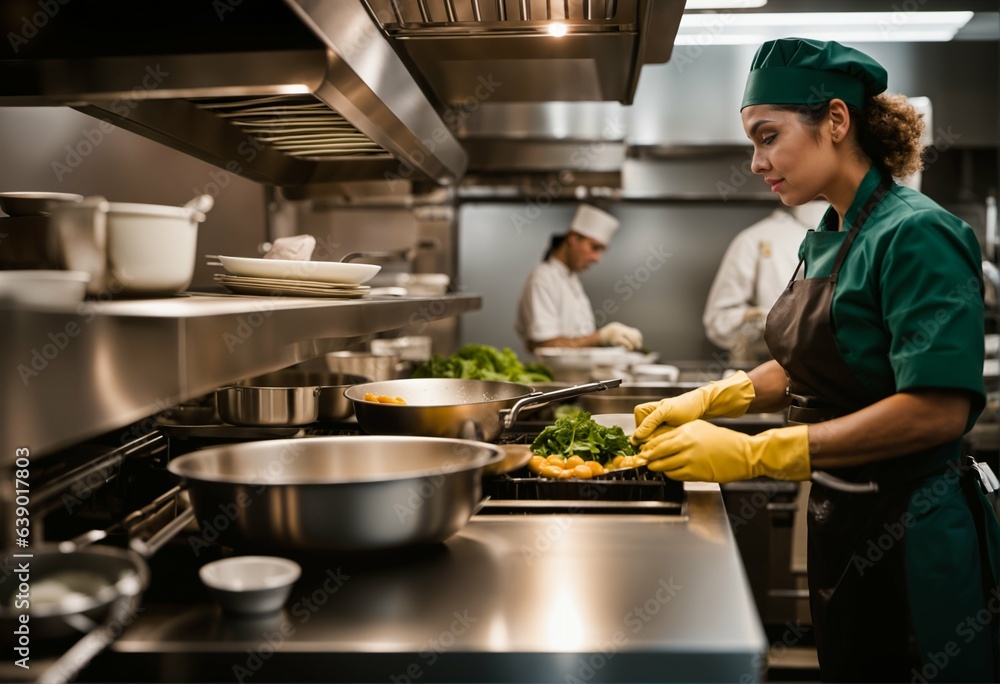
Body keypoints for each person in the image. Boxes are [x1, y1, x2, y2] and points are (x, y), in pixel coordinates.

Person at [630, 38, 999, 682]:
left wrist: (759, 454)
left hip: (913, 530)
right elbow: (822, 361)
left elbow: (938, 409)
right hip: (841, 515)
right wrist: (725, 396)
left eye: (767, 136)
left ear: (835, 120)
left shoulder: (916, 233)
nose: (755, 161)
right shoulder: (828, 233)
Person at [702, 201, 827, 364]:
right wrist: (758, 318)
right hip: (773, 367)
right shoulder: (757, 239)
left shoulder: (859, 236)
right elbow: (718, 320)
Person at [515, 204, 643, 352]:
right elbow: (544, 346)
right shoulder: (543, 278)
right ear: (573, 238)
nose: (597, 259)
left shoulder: (571, 279)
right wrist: (601, 337)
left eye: (602, 251)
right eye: (594, 248)